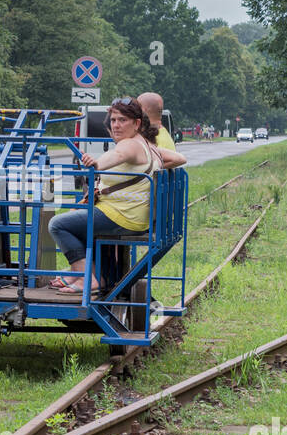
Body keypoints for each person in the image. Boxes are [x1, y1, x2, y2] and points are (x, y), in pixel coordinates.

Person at [47, 96, 186, 295]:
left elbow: (117, 155)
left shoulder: (129, 145)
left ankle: (85, 277)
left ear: (137, 123)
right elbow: (180, 157)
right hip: (131, 214)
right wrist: (158, 165)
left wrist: (96, 164)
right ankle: (97, 277)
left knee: (58, 224)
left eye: (122, 120)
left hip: (121, 215)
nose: (116, 126)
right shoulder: (148, 146)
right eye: (113, 120)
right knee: (77, 216)